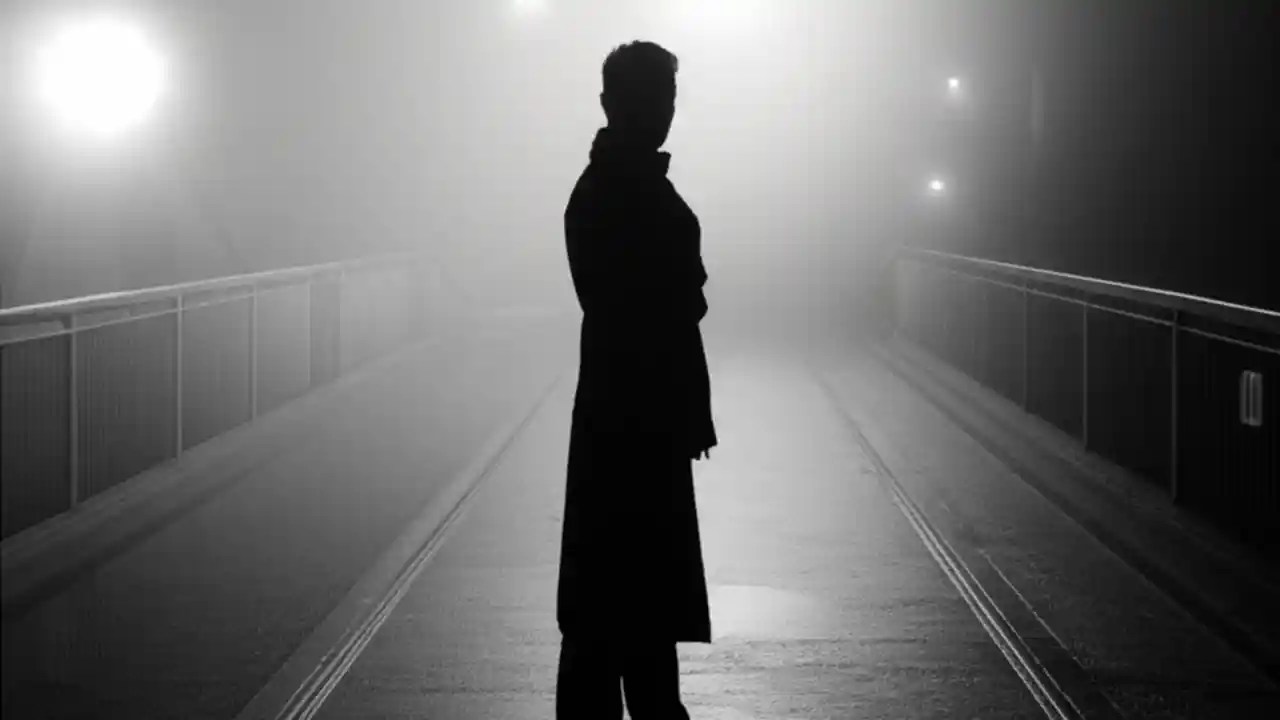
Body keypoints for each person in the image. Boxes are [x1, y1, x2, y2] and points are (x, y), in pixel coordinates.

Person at [556, 40, 717, 720]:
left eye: (668, 99)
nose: (664, 112)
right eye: (653, 98)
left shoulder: (607, 186)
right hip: (636, 421)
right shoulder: (627, 190)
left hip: (621, 413)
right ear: (612, 104)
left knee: (609, 613)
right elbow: (662, 297)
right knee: (636, 610)